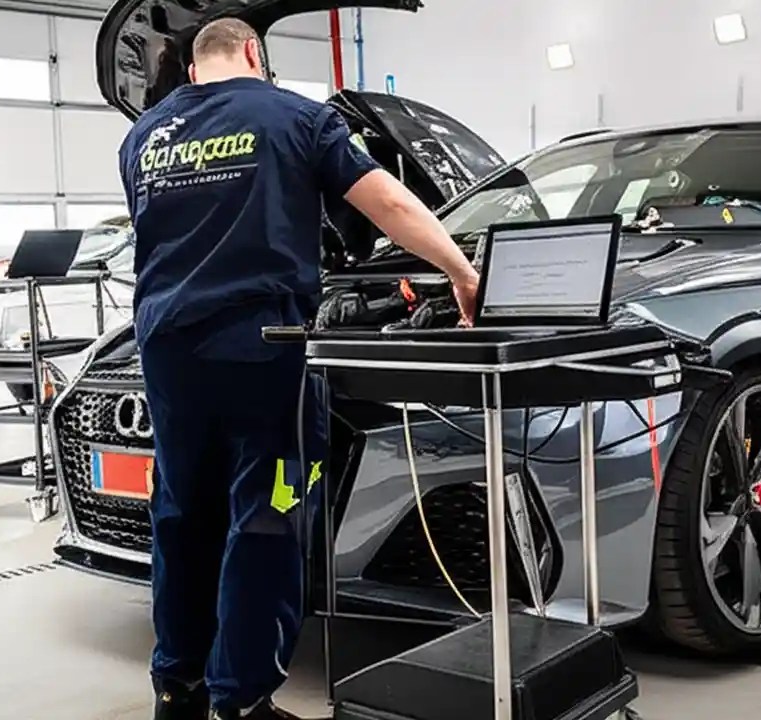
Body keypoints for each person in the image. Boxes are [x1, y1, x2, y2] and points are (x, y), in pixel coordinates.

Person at [117, 18, 480, 720]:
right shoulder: (296, 117)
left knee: (181, 512)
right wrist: (460, 271)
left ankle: (177, 687)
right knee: (268, 515)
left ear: (194, 70)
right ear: (256, 53)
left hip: (166, 349)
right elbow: (390, 203)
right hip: (266, 347)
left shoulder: (144, 137)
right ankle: (243, 699)